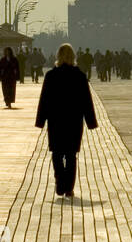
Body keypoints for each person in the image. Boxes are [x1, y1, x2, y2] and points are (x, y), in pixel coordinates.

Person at [35, 42, 97, 198]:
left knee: (56, 153)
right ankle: (68, 187)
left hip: (56, 120)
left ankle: (60, 182)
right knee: (70, 155)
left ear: (58, 57)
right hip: (74, 121)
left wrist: (41, 120)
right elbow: (86, 101)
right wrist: (91, 121)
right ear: (73, 57)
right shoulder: (80, 76)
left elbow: (45, 100)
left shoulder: (51, 76)